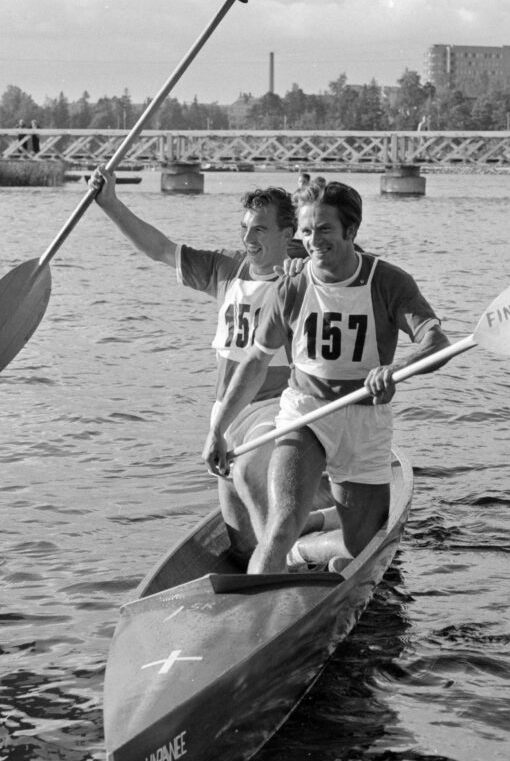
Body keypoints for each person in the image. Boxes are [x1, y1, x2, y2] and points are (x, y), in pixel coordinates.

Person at [204, 177, 450, 574]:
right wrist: (219, 427)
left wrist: (396, 369)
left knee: (362, 548)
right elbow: (255, 362)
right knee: (280, 525)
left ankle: (307, 544)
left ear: (351, 231)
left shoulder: (388, 282)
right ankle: (261, 603)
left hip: (363, 422)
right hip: (305, 414)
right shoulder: (293, 285)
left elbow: (436, 342)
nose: (313, 240)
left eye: (324, 229)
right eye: (306, 231)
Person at [88, 167, 332, 562]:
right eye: (244, 229)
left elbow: (349, 262)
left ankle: (291, 563)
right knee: (241, 541)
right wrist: (111, 204)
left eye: (259, 230)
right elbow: (160, 249)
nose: (248, 239)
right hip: (226, 415)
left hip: (276, 412)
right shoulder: (225, 268)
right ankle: (305, 540)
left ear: (287, 236)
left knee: (253, 480)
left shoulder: (304, 274)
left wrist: (310, 262)